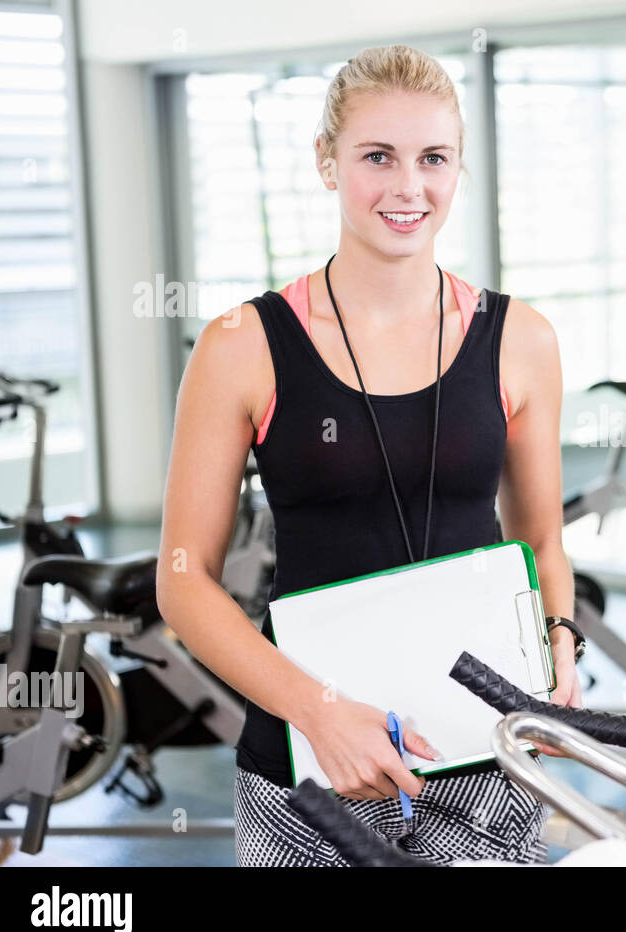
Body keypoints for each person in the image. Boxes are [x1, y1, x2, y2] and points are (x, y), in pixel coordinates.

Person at [156, 44, 581, 866]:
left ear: (459, 169)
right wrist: (318, 711)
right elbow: (181, 579)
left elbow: (543, 541)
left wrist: (560, 646)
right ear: (327, 162)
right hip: (308, 768)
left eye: (433, 159)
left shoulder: (520, 339)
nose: (408, 187)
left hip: (483, 753)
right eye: (377, 157)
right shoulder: (243, 346)